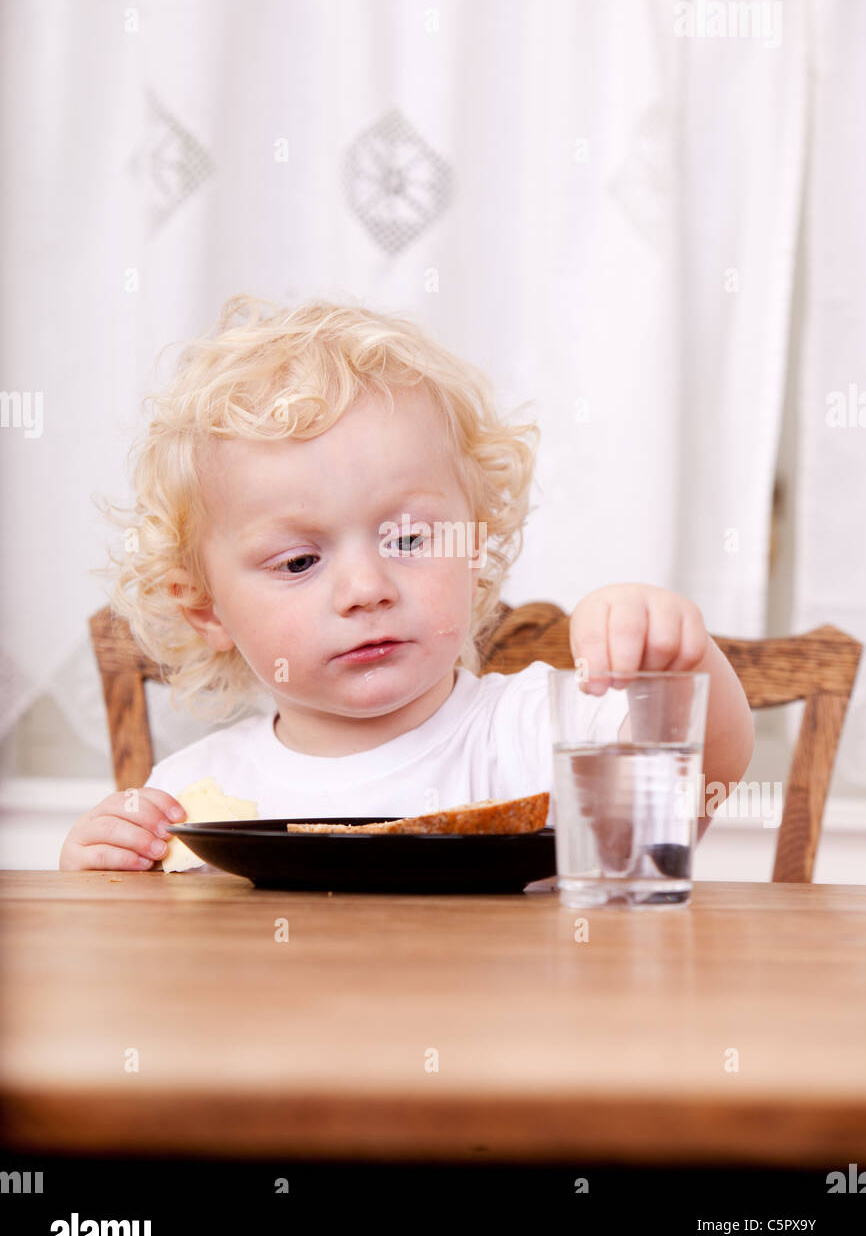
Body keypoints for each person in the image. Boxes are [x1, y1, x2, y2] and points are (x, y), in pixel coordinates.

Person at [60, 294, 753, 871]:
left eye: (409, 539)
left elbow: (694, 780)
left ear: (473, 542)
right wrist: (97, 873)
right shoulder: (189, 800)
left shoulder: (534, 734)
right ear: (206, 609)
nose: (366, 588)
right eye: (300, 562)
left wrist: (681, 662)